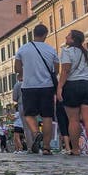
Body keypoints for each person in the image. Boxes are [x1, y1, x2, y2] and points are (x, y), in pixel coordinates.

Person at [14, 23, 58, 155]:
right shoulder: (51, 50)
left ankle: (35, 132)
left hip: (29, 87)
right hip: (47, 86)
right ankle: (46, 147)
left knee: (28, 115)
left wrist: (22, 73)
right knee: (47, 117)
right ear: (45, 34)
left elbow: (17, 69)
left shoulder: (23, 49)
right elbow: (56, 70)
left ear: (33, 34)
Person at [57, 29, 88, 156]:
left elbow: (65, 71)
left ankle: (75, 149)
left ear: (73, 39)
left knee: (73, 120)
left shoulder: (66, 51)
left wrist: (60, 88)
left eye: (68, 35)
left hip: (72, 86)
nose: (66, 37)